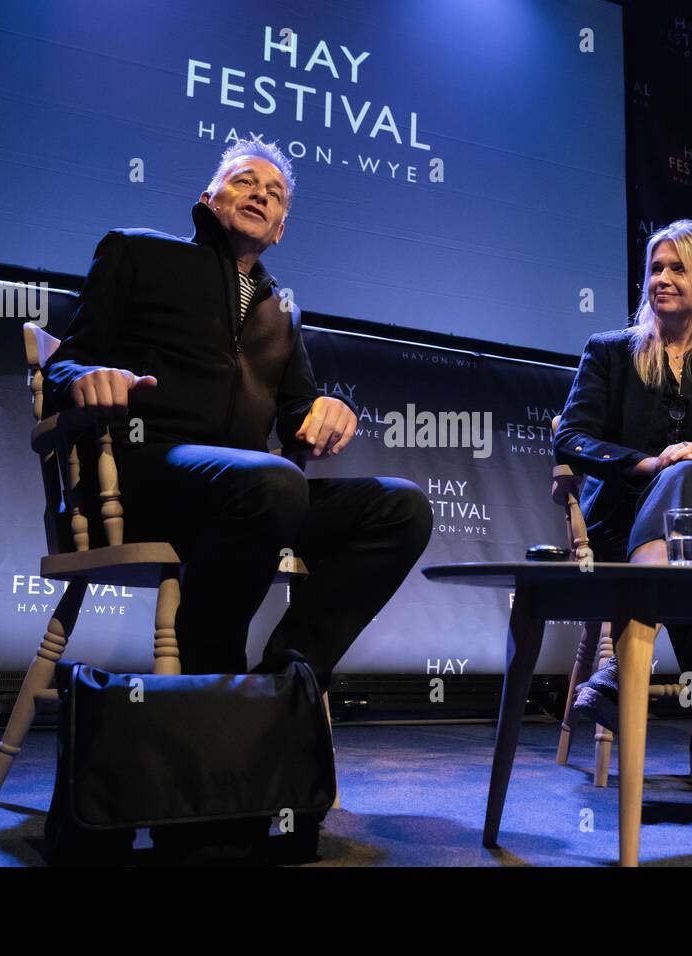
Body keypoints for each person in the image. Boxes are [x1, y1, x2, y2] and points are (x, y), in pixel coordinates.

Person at [42, 139, 433, 694]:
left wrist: (330, 409)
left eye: (275, 194)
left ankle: (283, 681)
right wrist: (82, 378)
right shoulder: (137, 252)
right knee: (272, 482)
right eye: (246, 181)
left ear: (279, 229)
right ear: (209, 198)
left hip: (254, 500)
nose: (261, 195)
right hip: (145, 478)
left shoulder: (283, 313)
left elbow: (302, 411)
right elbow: (69, 359)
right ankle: (213, 673)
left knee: (401, 507)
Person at [553, 219, 692, 796]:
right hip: (621, 527)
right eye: (655, 268)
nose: (662, 279)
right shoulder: (610, 352)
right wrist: (646, 464)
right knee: (679, 487)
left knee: (691, 489)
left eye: (677, 268)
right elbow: (569, 438)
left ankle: (627, 669)